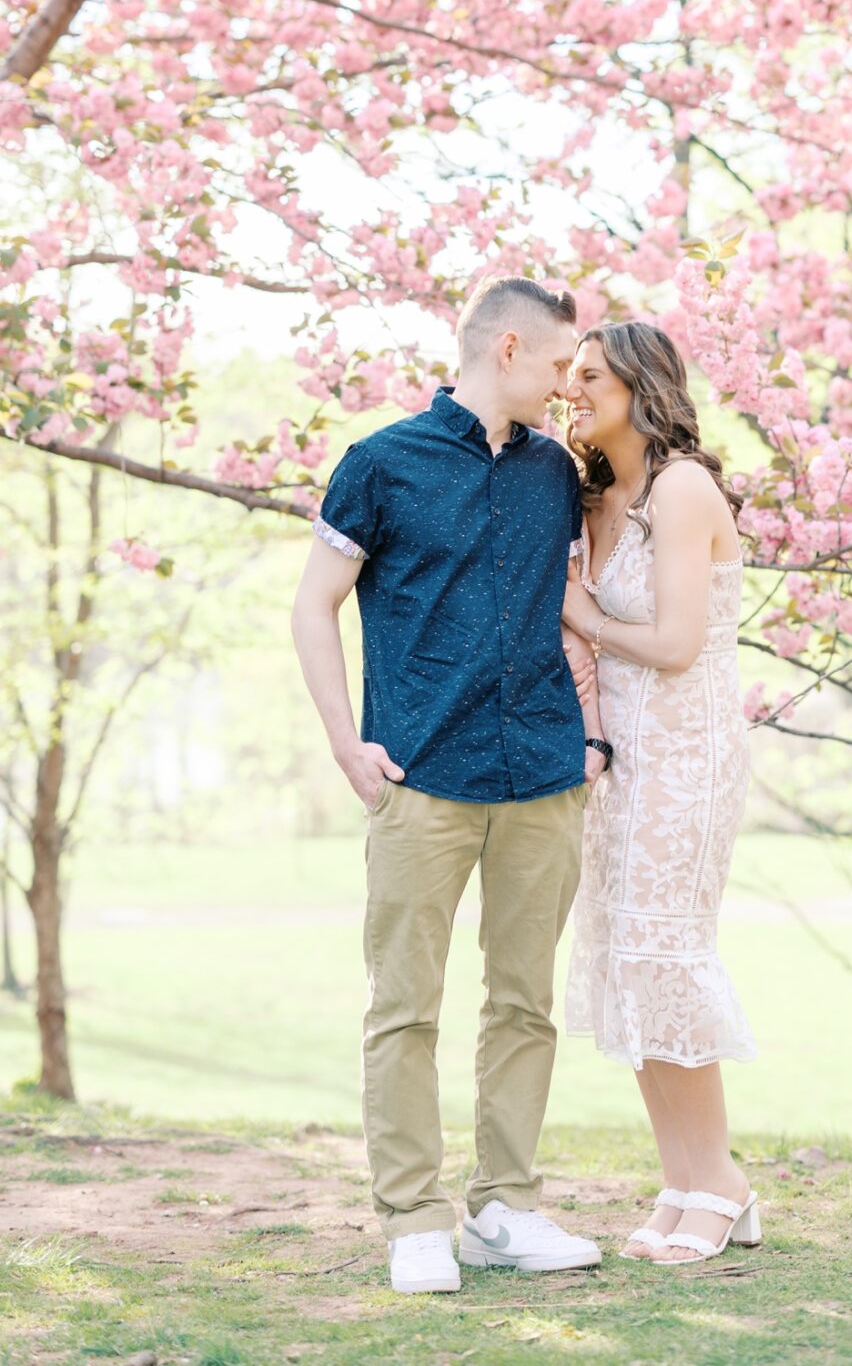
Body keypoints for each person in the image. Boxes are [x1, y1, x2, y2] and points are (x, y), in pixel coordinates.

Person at [291, 276, 610, 1295]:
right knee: (405, 1005)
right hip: (420, 775)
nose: (568, 384)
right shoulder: (379, 464)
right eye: (560, 363)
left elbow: (571, 610)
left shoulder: (557, 471)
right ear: (506, 347)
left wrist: (592, 738)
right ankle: (415, 1216)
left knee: (525, 1003)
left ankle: (505, 1207)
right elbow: (314, 606)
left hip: (544, 774)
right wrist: (348, 744)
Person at [559, 320, 760, 1266]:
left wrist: (588, 618)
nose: (573, 388)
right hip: (619, 756)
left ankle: (717, 1176)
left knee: (668, 953)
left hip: (688, 749)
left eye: (589, 375)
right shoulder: (600, 495)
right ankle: (684, 1179)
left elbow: (678, 646)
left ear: (640, 385)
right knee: (628, 959)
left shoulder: (681, 489)